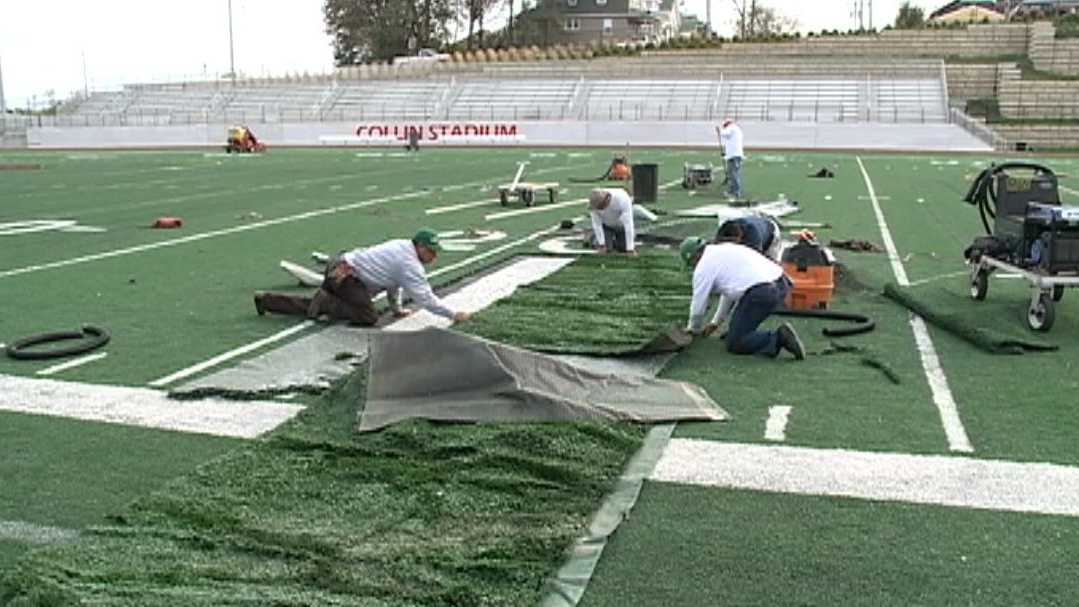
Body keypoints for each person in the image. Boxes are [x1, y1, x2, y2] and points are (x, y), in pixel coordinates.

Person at [254, 228, 471, 326]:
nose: (434, 257)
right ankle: (327, 302)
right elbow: (425, 299)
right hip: (345, 275)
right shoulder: (409, 263)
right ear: (420, 247)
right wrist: (453, 314)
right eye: (431, 252)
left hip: (340, 266)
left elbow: (393, 283)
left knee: (316, 305)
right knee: (368, 316)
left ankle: (267, 300)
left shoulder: (402, 246)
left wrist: (396, 309)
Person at [679, 236, 805, 360]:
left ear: (694, 258)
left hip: (762, 292)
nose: (693, 268)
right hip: (781, 283)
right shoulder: (723, 250)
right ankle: (742, 332)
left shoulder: (703, 267)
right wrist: (716, 322)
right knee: (737, 329)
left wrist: (692, 330)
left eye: (691, 264)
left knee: (735, 342)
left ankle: (778, 338)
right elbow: (730, 291)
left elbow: (698, 307)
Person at [588, 188, 637, 256]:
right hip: (606, 226)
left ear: (606, 201)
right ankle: (594, 237)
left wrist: (630, 249)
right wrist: (602, 244)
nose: (599, 209)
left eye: (600, 207)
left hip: (621, 226)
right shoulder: (595, 206)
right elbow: (597, 224)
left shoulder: (622, 198)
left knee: (623, 247)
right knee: (607, 249)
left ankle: (613, 240)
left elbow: (628, 224)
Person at [715, 214, 783, 262]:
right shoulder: (723, 230)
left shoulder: (753, 235)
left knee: (769, 268)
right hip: (757, 223)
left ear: (740, 237)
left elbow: (756, 261)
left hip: (772, 236)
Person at [716, 119, 745, 200]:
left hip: (734, 156)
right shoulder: (737, 130)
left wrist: (719, 130)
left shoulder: (732, 128)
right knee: (733, 174)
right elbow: (731, 142)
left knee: (733, 175)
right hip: (735, 155)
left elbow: (725, 133)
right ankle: (733, 191)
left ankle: (735, 192)